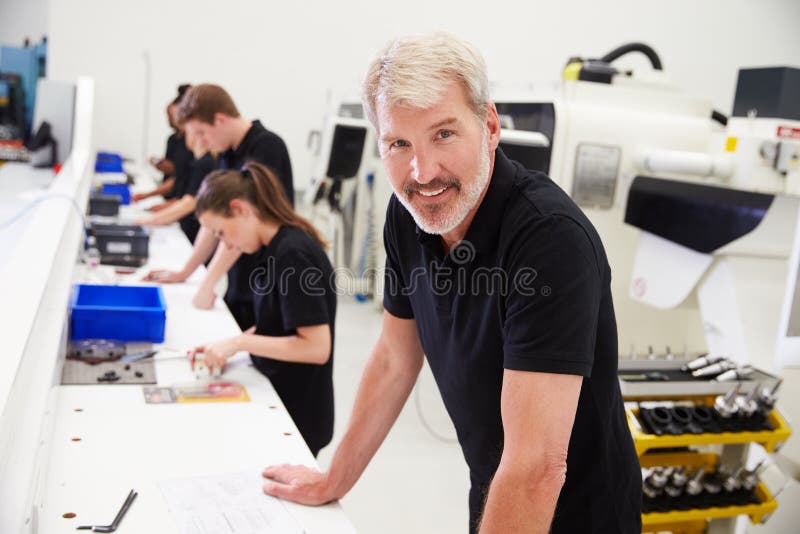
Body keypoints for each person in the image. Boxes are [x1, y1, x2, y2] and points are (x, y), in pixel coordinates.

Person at [261, 31, 642, 533]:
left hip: (579, 515)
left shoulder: (549, 240)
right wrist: (334, 479)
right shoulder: (408, 217)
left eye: (444, 134)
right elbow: (396, 358)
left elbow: (536, 469)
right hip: (494, 489)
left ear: (489, 125)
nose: (423, 172)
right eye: (399, 143)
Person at [190, 161, 335, 457]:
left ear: (240, 208)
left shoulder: (293, 253)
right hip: (278, 394)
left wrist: (239, 342)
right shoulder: (272, 248)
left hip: (297, 412)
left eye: (220, 232)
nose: (225, 242)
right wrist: (225, 348)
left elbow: (316, 348)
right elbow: (278, 323)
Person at [143, 84, 294, 330]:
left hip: (266, 277)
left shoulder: (266, 148)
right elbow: (213, 221)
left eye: (201, 133)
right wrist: (185, 272)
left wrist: (207, 284)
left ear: (220, 120)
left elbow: (240, 224)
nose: (201, 142)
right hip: (239, 279)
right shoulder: (227, 154)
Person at [133, 128, 217, 243]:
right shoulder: (197, 161)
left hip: (194, 227)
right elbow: (179, 183)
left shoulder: (204, 164)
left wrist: (153, 219)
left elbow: (191, 202)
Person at [133, 84, 193, 203]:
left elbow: (190, 196)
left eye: (172, 116)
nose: (170, 120)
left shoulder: (196, 150)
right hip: (173, 200)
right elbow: (178, 178)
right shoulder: (172, 140)